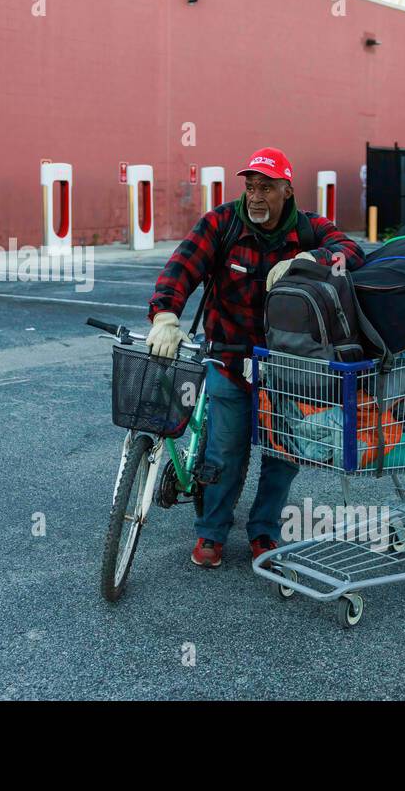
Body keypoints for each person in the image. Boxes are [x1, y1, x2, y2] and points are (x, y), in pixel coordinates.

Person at [146, 148, 365, 567]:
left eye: (266, 187)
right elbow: (181, 268)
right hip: (229, 358)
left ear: (287, 190)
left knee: (283, 454)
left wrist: (310, 258)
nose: (255, 196)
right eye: (250, 186)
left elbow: (350, 252)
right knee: (224, 452)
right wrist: (165, 315)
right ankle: (211, 533)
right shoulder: (221, 223)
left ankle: (263, 531)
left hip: (286, 365)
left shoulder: (310, 229)